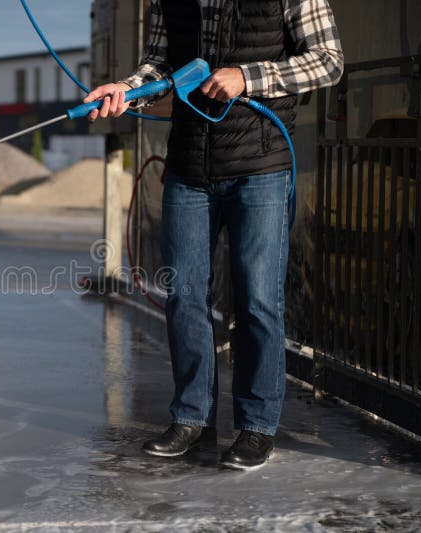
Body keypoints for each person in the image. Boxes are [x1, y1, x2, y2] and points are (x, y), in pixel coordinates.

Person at [85, 0, 343, 470]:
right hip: (189, 166)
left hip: (260, 165)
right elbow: (160, 63)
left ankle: (256, 426)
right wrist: (125, 89)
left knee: (257, 299)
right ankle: (191, 419)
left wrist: (248, 77)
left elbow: (328, 60)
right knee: (183, 295)